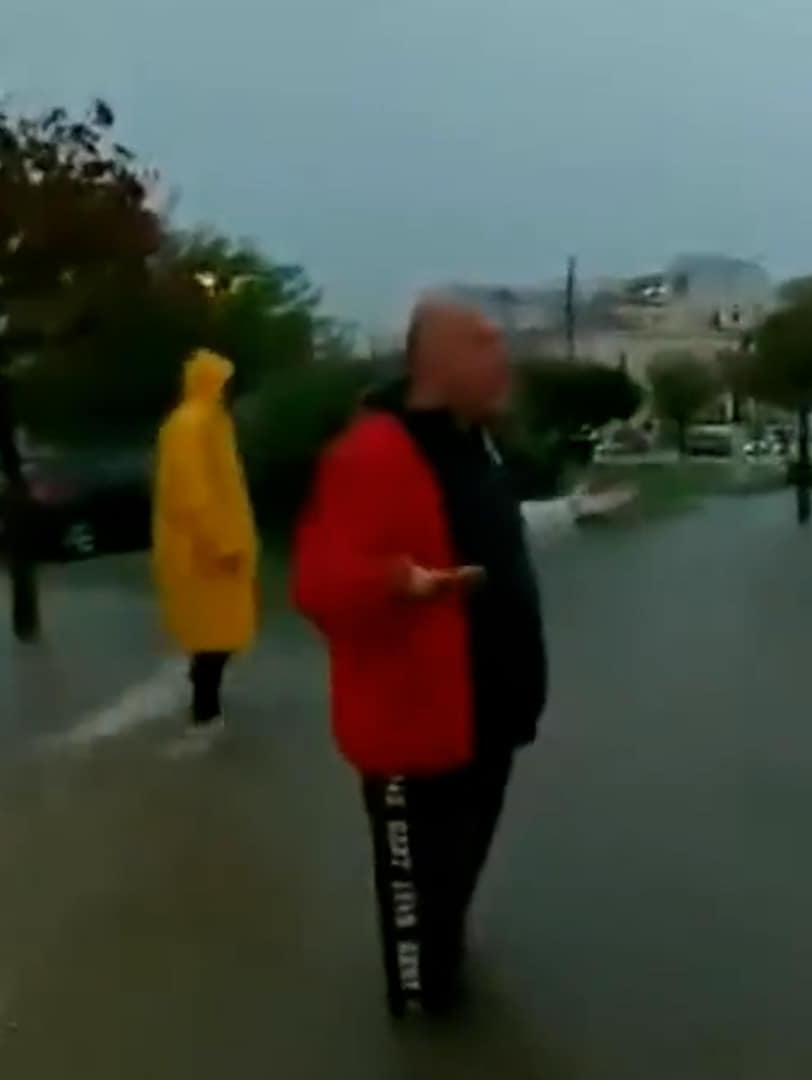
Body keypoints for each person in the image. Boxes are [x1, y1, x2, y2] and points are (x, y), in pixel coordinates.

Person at [293, 297, 548, 1016]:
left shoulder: (478, 444)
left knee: (454, 879)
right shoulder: (371, 455)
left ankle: (446, 957)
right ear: (432, 361)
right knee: (417, 927)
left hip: (489, 716)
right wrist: (395, 583)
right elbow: (316, 582)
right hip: (414, 728)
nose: (501, 357)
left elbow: (496, 544)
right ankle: (423, 1007)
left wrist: (574, 516)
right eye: (481, 343)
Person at [153, 348, 259, 740]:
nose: (229, 390)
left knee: (219, 631)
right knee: (213, 633)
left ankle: (205, 702)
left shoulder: (209, 422)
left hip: (213, 548)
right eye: (225, 382)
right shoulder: (191, 425)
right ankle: (205, 712)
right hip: (202, 552)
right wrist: (222, 543)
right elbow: (192, 493)